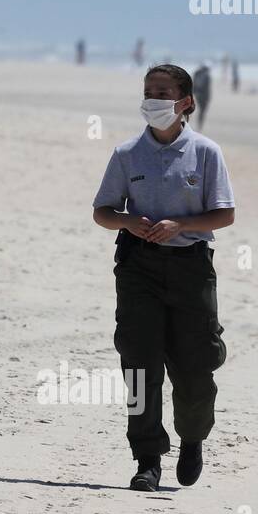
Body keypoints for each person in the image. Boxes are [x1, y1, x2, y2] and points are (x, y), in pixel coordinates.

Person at [91, 64, 236, 491]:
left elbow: (225, 214)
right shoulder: (125, 154)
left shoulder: (207, 153)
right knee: (139, 365)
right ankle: (147, 458)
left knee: (196, 367)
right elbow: (103, 211)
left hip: (191, 267)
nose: (153, 98)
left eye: (163, 91)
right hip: (138, 266)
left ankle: (192, 439)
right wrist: (128, 223)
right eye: (148, 90)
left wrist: (182, 225)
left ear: (185, 102)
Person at [192, 61, 212, 129]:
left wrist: (194, 92)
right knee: (202, 110)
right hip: (204, 96)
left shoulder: (196, 73)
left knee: (201, 110)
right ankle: (200, 124)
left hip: (198, 94)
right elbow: (206, 88)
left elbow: (194, 84)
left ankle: (199, 123)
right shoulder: (206, 75)